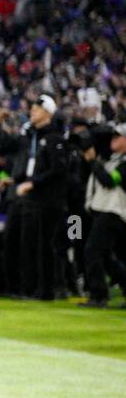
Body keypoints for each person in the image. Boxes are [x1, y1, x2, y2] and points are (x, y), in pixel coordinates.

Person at [1, 95, 68, 300]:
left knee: (45, 246)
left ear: (48, 112)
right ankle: (29, 288)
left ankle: (46, 290)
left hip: (48, 200)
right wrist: (16, 180)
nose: (32, 112)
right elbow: (30, 165)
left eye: (37, 109)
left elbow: (58, 169)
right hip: (33, 198)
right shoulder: (33, 137)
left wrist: (33, 183)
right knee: (29, 244)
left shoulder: (55, 138)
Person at [79, 124, 126, 308]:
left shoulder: (123, 164)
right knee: (104, 255)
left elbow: (107, 181)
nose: (113, 139)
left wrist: (92, 161)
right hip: (93, 212)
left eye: (118, 136)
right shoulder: (111, 159)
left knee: (92, 250)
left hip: (113, 212)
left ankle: (99, 295)